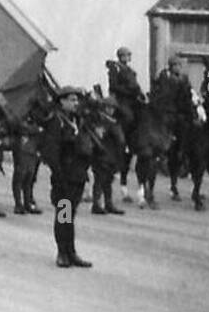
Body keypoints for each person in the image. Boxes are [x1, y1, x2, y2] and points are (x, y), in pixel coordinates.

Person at [40, 85, 94, 268]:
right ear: (61, 101)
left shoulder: (77, 120)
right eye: (71, 99)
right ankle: (62, 252)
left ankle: (71, 251)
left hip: (77, 175)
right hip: (64, 176)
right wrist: (59, 175)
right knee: (63, 215)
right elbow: (51, 152)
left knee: (71, 215)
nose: (75, 103)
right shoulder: (56, 121)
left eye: (76, 100)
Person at [105, 46, 144, 138]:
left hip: (133, 99)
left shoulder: (130, 70)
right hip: (121, 99)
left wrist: (140, 93)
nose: (128, 57)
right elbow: (114, 86)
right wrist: (128, 91)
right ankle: (124, 136)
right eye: (127, 55)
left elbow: (135, 84)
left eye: (129, 55)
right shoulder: (115, 68)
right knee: (128, 117)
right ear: (121, 56)